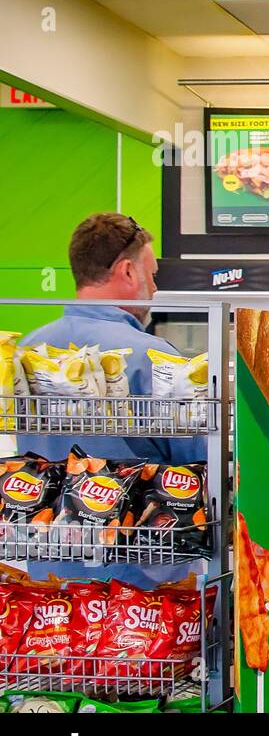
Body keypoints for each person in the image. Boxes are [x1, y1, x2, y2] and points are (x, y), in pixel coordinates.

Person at [17, 212, 204, 584]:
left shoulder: (26, 347)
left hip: (45, 569)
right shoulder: (154, 356)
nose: (153, 287)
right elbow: (193, 463)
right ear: (128, 272)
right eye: (151, 274)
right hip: (137, 578)